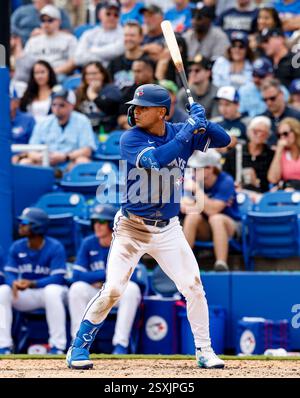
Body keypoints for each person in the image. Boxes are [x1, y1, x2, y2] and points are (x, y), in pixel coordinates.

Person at [66, 83, 230, 370]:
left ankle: (204, 350)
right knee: (114, 288)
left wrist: (203, 120)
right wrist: (187, 130)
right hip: (132, 227)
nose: (136, 111)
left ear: (162, 113)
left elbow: (223, 139)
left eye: (143, 107)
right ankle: (78, 347)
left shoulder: (182, 130)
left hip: (168, 228)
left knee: (193, 287)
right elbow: (157, 160)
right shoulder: (131, 138)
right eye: (135, 107)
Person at [69, 204, 146, 355]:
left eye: (102, 222)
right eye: (95, 222)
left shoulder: (125, 242)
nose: (97, 225)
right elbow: (76, 276)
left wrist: (107, 280)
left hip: (116, 292)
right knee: (76, 288)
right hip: (96, 291)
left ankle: (120, 344)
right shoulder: (88, 243)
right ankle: (77, 343)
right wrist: (109, 275)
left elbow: (136, 277)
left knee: (131, 289)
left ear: (111, 223)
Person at [0, 208, 68, 355]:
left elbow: (58, 278)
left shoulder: (55, 247)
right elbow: (8, 273)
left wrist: (33, 283)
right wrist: (14, 283)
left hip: (48, 294)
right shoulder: (17, 247)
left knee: (52, 291)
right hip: (27, 295)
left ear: (38, 226)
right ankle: (4, 346)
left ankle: (57, 346)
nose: (20, 226)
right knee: (3, 291)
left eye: (25, 223)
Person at [181, 149, 241, 272]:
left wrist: (197, 191)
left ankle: (221, 264)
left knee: (216, 218)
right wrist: (203, 203)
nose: (193, 172)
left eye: (197, 168)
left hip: (230, 226)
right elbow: (184, 206)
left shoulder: (226, 181)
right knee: (192, 216)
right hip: (206, 228)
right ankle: (181, 264)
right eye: (192, 168)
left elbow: (212, 211)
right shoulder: (192, 180)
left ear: (210, 169)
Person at [19, 87, 96, 170]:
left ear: (71, 105)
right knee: (25, 162)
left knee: (82, 161)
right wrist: (42, 157)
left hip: (69, 163)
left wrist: (65, 156)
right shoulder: (44, 122)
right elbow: (31, 150)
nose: (57, 108)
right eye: (54, 104)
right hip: (45, 164)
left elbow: (87, 150)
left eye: (62, 105)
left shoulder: (82, 120)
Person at [223, 116, 274, 196]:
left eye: (263, 132)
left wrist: (256, 182)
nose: (259, 134)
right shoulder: (235, 152)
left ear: (267, 135)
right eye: (255, 131)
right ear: (249, 132)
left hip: (262, 195)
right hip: (237, 194)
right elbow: (225, 177)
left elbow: (271, 182)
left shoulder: (271, 155)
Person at [24, 5, 77, 80]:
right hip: (36, 77)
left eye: (50, 20)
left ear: (59, 21)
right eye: (43, 20)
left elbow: (73, 62)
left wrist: (51, 73)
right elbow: (26, 63)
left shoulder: (69, 39)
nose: (46, 23)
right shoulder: (33, 41)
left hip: (59, 75)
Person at [75, 61, 122, 135]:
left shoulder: (112, 89)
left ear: (103, 74)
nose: (91, 77)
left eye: (94, 73)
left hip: (106, 132)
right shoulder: (79, 92)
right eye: (87, 74)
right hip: (84, 132)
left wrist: (92, 93)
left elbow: (110, 109)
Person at [74, 0, 124, 68]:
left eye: (116, 15)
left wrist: (91, 50)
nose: (112, 17)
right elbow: (78, 58)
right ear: (100, 14)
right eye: (108, 14)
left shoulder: (124, 33)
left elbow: (116, 52)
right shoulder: (89, 33)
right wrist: (105, 59)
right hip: (89, 73)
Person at [117, 57, 156, 130]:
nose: (135, 75)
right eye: (133, 71)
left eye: (138, 71)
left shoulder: (161, 89)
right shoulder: (128, 91)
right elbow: (121, 118)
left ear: (150, 72)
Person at [177, 54, 219, 119]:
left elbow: (216, 120)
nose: (192, 73)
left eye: (197, 70)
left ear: (208, 73)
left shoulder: (216, 93)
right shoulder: (183, 93)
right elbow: (179, 119)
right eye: (190, 71)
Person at [261, 78, 300, 145]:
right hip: (268, 155)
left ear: (281, 94)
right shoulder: (261, 119)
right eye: (265, 100)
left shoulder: (296, 116)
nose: (269, 102)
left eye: (272, 98)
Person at [108, 20, 144, 90]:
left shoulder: (148, 62)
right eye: (126, 35)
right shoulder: (114, 62)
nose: (128, 38)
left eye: (132, 35)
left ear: (141, 38)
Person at [268, 117, 300, 190]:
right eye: (279, 135)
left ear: (296, 132)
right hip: (288, 192)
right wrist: (279, 151)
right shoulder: (281, 154)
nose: (282, 137)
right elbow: (273, 179)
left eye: (285, 134)